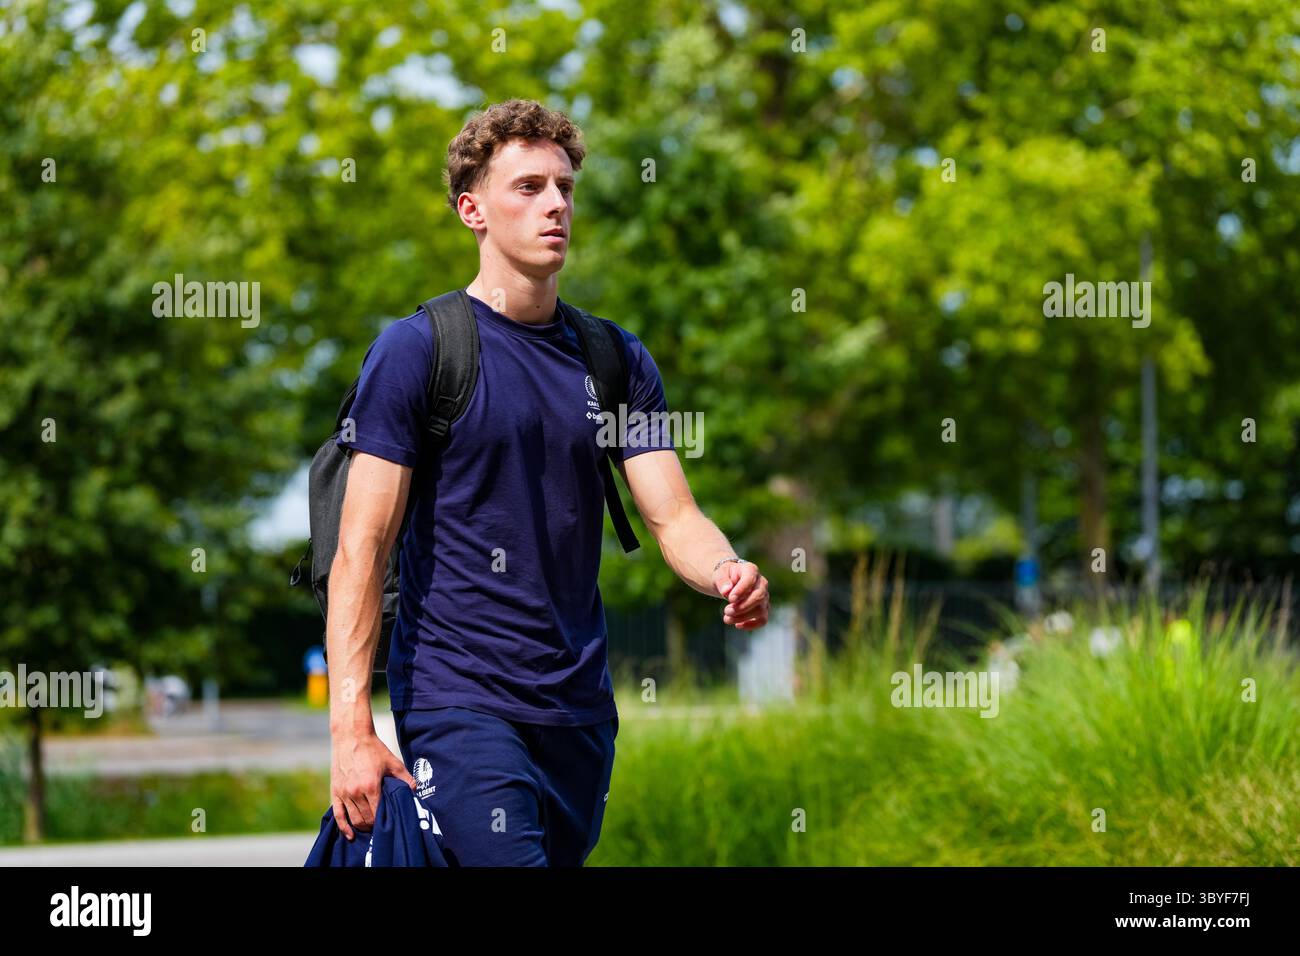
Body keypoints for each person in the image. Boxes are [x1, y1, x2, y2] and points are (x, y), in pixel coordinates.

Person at [325, 98, 770, 866]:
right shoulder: (419, 351)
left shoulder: (614, 358)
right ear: (473, 210)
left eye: (564, 186)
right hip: (459, 698)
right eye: (528, 187)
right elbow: (360, 549)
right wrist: (351, 730)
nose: (556, 203)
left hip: (579, 711)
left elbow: (673, 518)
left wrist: (726, 570)